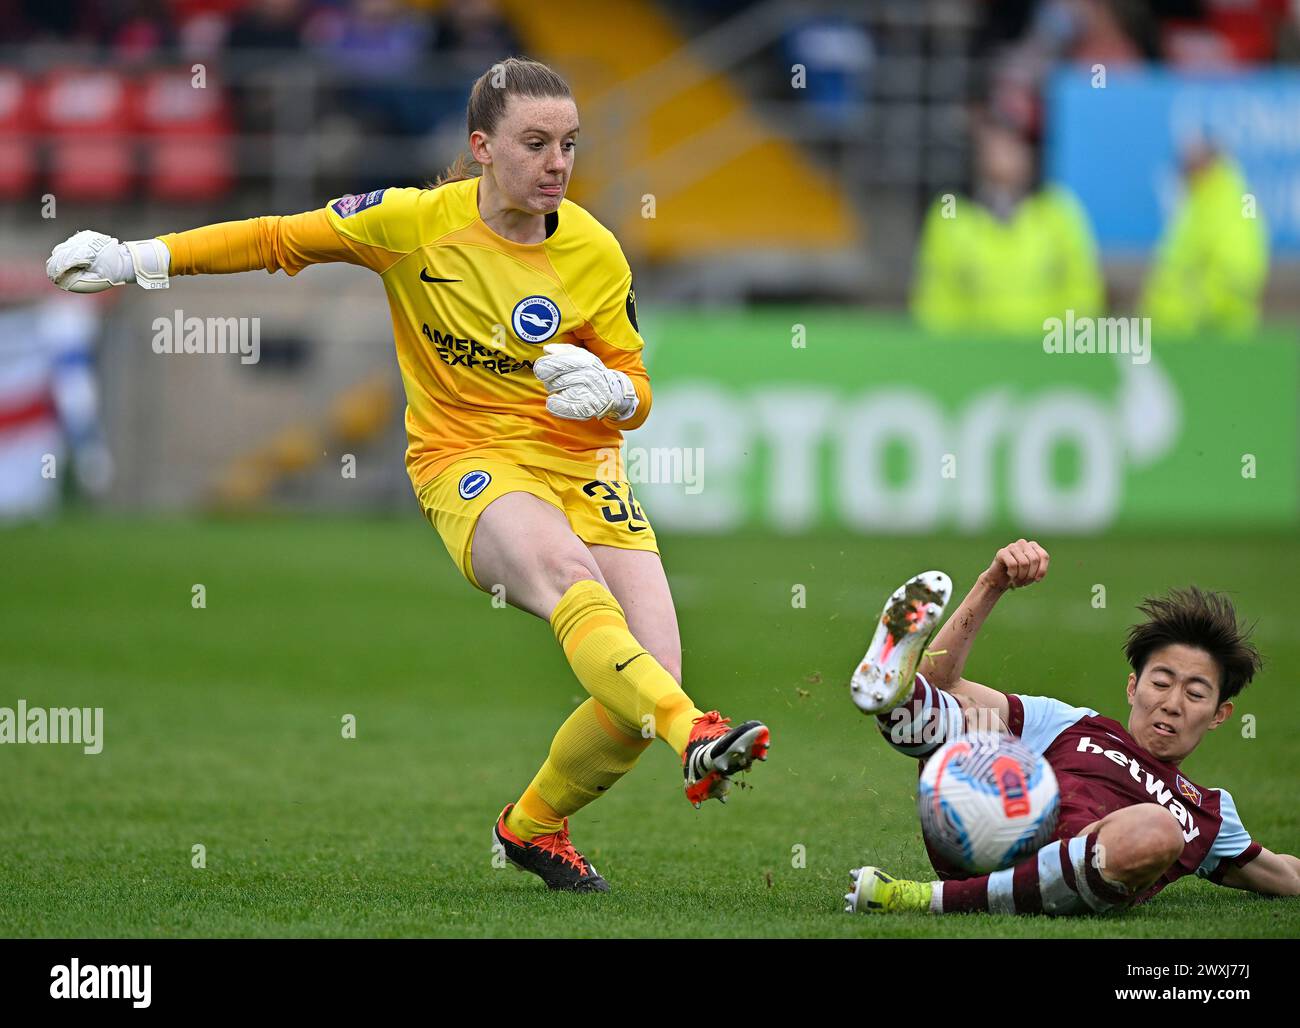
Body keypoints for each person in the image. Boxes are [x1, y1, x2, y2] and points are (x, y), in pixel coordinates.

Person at [45, 56, 770, 893]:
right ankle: (698, 735)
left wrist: (613, 392)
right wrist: (140, 258)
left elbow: (636, 392)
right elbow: (277, 239)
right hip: (467, 462)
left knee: (642, 688)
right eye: (534, 143)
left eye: (569, 144)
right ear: (481, 147)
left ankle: (532, 827)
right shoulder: (409, 224)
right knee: (574, 587)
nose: (557, 163)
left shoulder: (596, 251)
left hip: (583, 469)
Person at [842, 540, 1299, 915]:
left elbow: (1286, 876)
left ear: (1219, 714)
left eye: (1196, 694)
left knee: (1158, 829)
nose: (1172, 704)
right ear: (1132, 687)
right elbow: (942, 680)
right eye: (1161, 682)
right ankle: (893, 697)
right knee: (960, 711)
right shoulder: (1073, 724)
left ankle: (916, 897)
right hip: (988, 835)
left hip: (1073, 874)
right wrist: (991, 584)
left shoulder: (1210, 815)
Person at [911, 112, 1103, 336]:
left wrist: (1064, 344)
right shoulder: (949, 217)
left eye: (1013, 145)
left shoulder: (1057, 211)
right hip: (974, 354)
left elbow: (1081, 290)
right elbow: (936, 301)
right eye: (992, 146)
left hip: (1046, 353)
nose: (1002, 156)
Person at [1140, 141, 1269, 338]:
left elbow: (1238, 274)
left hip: (1213, 337)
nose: (1186, 172)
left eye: (1193, 163)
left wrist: (1195, 308)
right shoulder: (1197, 204)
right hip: (1178, 334)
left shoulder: (1235, 206)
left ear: (1212, 163)